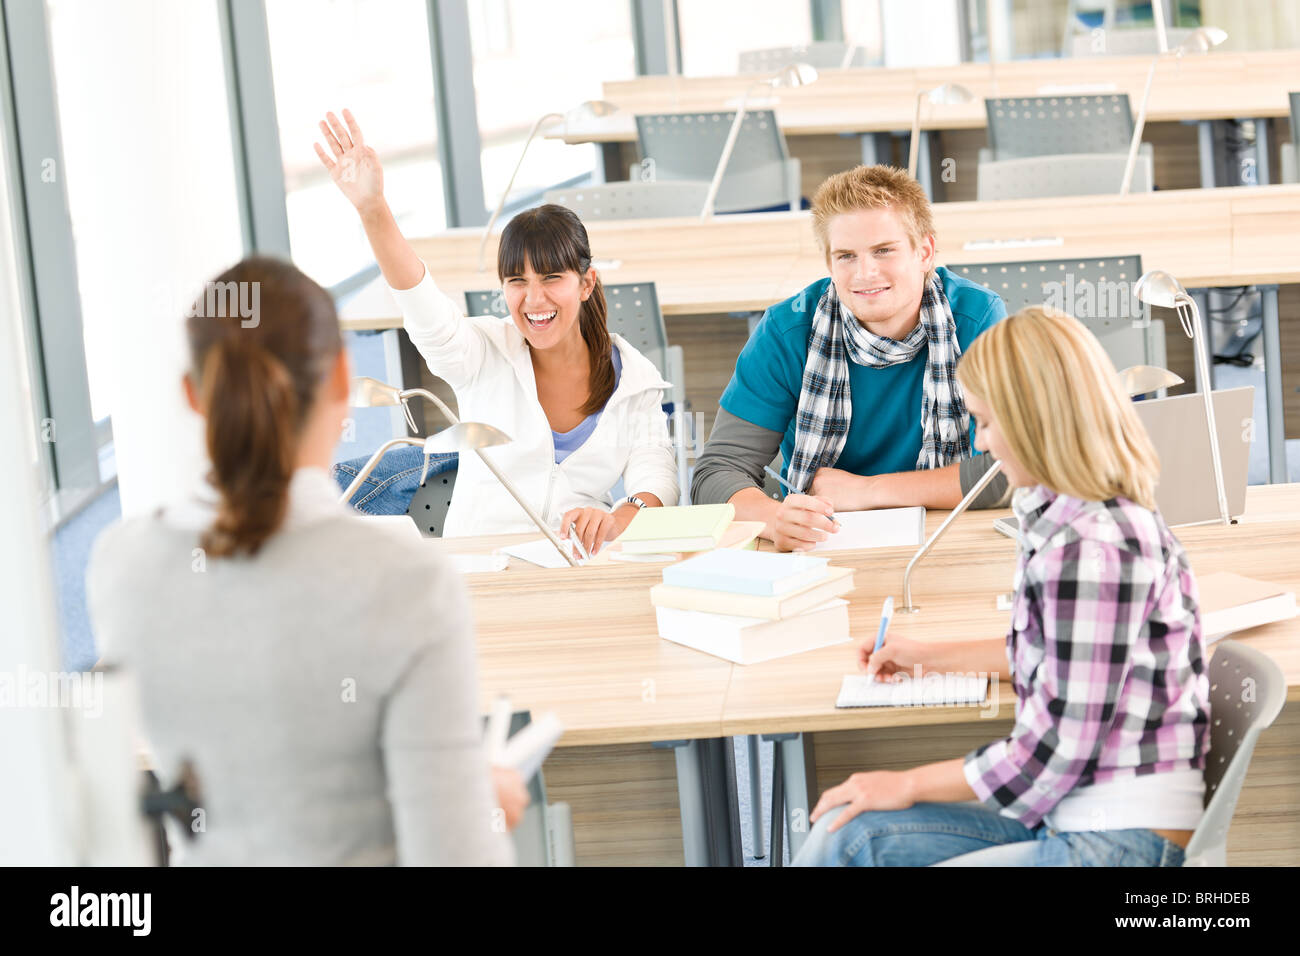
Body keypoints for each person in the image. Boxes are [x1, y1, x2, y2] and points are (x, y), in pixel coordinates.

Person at [87, 257, 524, 865]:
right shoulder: (407, 581)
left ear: (193, 394)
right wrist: (484, 804)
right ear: (343, 378)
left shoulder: (123, 567)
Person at [792, 307, 1209, 867]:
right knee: (848, 838)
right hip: (1072, 813)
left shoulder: (1093, 548)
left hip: (1119, 841)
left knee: (857, 835)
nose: (982, 443)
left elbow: (1053, 752)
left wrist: (907, 783)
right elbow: (1050, 659)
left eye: (986, 423)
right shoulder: (1068, 515)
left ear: (1036, 421)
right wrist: (923, 657)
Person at [316, 109, 678, 555]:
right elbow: (423, 308)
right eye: (517, 283)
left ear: (586, 284)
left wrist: (619, 517)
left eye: (551, 279)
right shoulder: (483, 354)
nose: (534, 300)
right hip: (480, 567)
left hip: (574, 567)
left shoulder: (634, 380)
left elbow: (656, 475)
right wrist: (374, 210)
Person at [691, 164, 1008, 551]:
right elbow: (715, 473)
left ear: (924, 252)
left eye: (883, 250)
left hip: (951, 535)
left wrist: (868, 491)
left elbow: (1010, 469)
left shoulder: (976, 319)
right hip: (821, 540)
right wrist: (774, 519)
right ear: (829, 263)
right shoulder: (787, 330)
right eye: (846, 256)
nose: (865, 273)